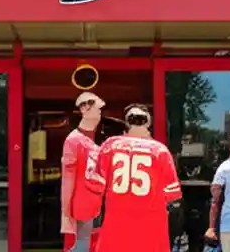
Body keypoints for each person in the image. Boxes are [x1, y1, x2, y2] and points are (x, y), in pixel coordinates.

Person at [73, 104, 182, 252]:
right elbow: (172, 196)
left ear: (126, 123)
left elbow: (94, 186)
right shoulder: (161, 151)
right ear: (148, 123)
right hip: (150, 230)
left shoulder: (110, 146)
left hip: (116, 227)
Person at [62, 91, 104, 252]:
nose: (100, 113)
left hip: (94, 204)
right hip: (82, 206)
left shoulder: (91, 140)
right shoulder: (74, 141)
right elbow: (68, 179)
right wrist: (67, 214)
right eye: (97, 109)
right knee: (82, 245)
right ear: (85, 109)